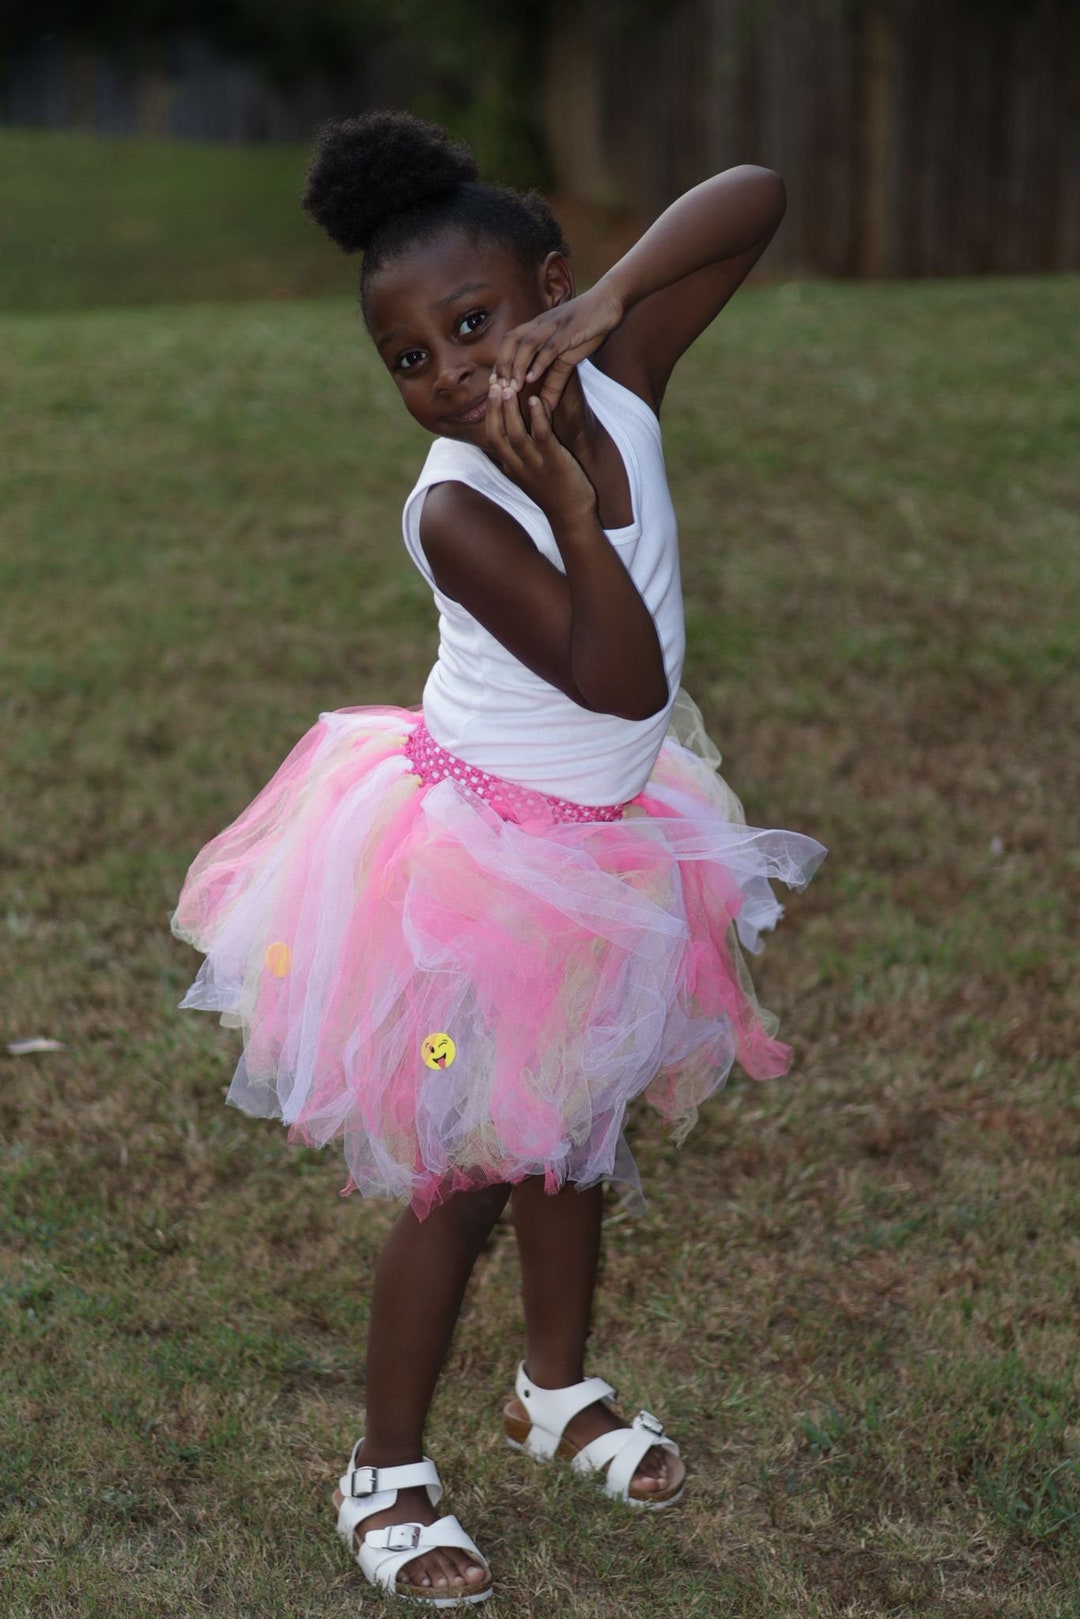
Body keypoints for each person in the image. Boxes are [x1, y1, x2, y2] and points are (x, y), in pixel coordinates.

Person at [171, 111, 825, 1606]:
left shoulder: (624, 368)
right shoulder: (460, 507)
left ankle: (550, 1391)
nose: (455, 373)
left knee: (575, 1129)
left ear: (551, 286)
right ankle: (383, 1469)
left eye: (477, 323)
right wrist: (582, 509)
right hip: (482, 872)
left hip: (607, 847)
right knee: (460, 1181)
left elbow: (755, 193)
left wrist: (606, 318)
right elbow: (616, 674)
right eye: (411, 359)